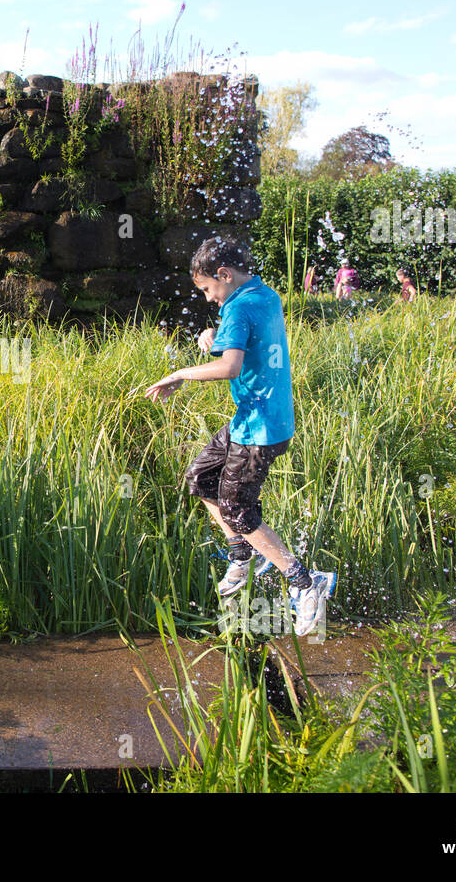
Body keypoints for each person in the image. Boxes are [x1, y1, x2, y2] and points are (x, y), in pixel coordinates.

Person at [144, 235, 336, 636]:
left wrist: (180, 374)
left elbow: (230, 368)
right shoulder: (265, 295)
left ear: (224, 275)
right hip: (262, 418)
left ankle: (305, 582)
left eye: (208, 289)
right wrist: (216, 340)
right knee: (201, 478)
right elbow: (246, 345)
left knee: (237, 510)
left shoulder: (237, 307)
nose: (210, 299)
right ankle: (242, 552)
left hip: (257, 429)